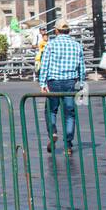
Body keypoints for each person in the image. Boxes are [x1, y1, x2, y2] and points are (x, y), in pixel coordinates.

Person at [37, 22, 87, 158]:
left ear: (57, 31)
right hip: (70, 82)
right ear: (68, 31)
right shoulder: (77, 46)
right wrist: (82, 84)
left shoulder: (50, 45)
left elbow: (44, 65)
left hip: (53, 82)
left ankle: (53, 132)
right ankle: (68, 145)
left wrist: (42, 83)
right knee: (69, 113)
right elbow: (81, 68)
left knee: (51, 110)